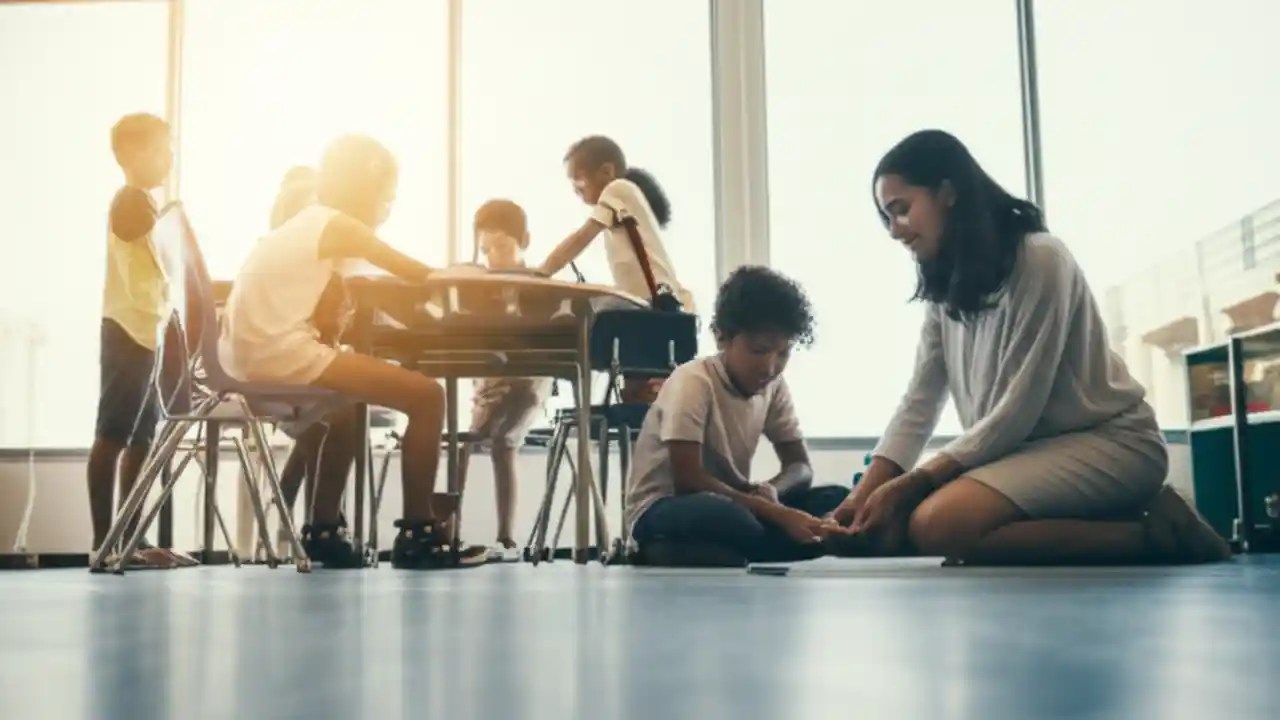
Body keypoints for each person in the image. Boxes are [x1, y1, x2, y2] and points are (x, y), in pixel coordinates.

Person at [828, 129, 1230, 565]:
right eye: (886, 218)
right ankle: (1135, 518)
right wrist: (861, 498)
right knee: (900, 526)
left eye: (900, 210)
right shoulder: (946, 291)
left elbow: (1016, 411)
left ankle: (1163, 535)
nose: (893, 231)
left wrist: (915, 481)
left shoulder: (1041, 258)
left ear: (946, 192)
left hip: (1110, 443)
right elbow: (919, 402)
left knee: (936, 526)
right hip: (1023, 454)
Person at [219, 134, 485, 569]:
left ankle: (324, 532)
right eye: (388, 197)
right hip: (278, 351)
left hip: (246, 354)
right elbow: (414, 273)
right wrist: (466, 278)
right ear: (369, 191)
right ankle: (419, 533)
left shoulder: (308, 222)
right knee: (427, 395)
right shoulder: (339, 226)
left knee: (345, 412)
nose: (388, 208)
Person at [624, 266, 855, 567]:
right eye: (759, 350)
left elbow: (800, 467)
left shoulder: (773, 386)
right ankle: (775, 545)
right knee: (731, 518)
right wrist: (775, 512)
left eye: (783, 353)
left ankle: (734, 551)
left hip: (737, 500)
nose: (770, 367)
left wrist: (773, 491)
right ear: (723, 338)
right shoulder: (693, 381)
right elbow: (688, 480)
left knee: (836, 499)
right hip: (666, 506)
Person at [87, 112, 190, 568]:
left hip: (148, 331)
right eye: (160, 149)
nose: (168, 157)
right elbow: (149, 236)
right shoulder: (130, 202)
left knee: (142, 437)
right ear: (130, 154)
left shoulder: (146, 203)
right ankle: (103, 543)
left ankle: (131, 538)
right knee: (113, 433)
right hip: (127, 329)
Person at [537, 135, 695, 403]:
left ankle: (553, 371)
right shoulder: (624, 202)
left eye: (578, 180)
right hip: (655, 304)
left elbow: (580, 239)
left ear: (606, 172)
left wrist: (541, 273)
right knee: (636, 391)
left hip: (650, 304)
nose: (576, 190)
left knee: (574, 313)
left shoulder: (618, 188)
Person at [456, 199, 552, 557]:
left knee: (500, 444)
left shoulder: (539, 283)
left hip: (528, 378)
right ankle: (455, 528)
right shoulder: (480, 284)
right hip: (493, 375)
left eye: (502, 247)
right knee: (473, 443)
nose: (493, 257)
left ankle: (505, 534)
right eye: (486, 250)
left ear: (523, 240)